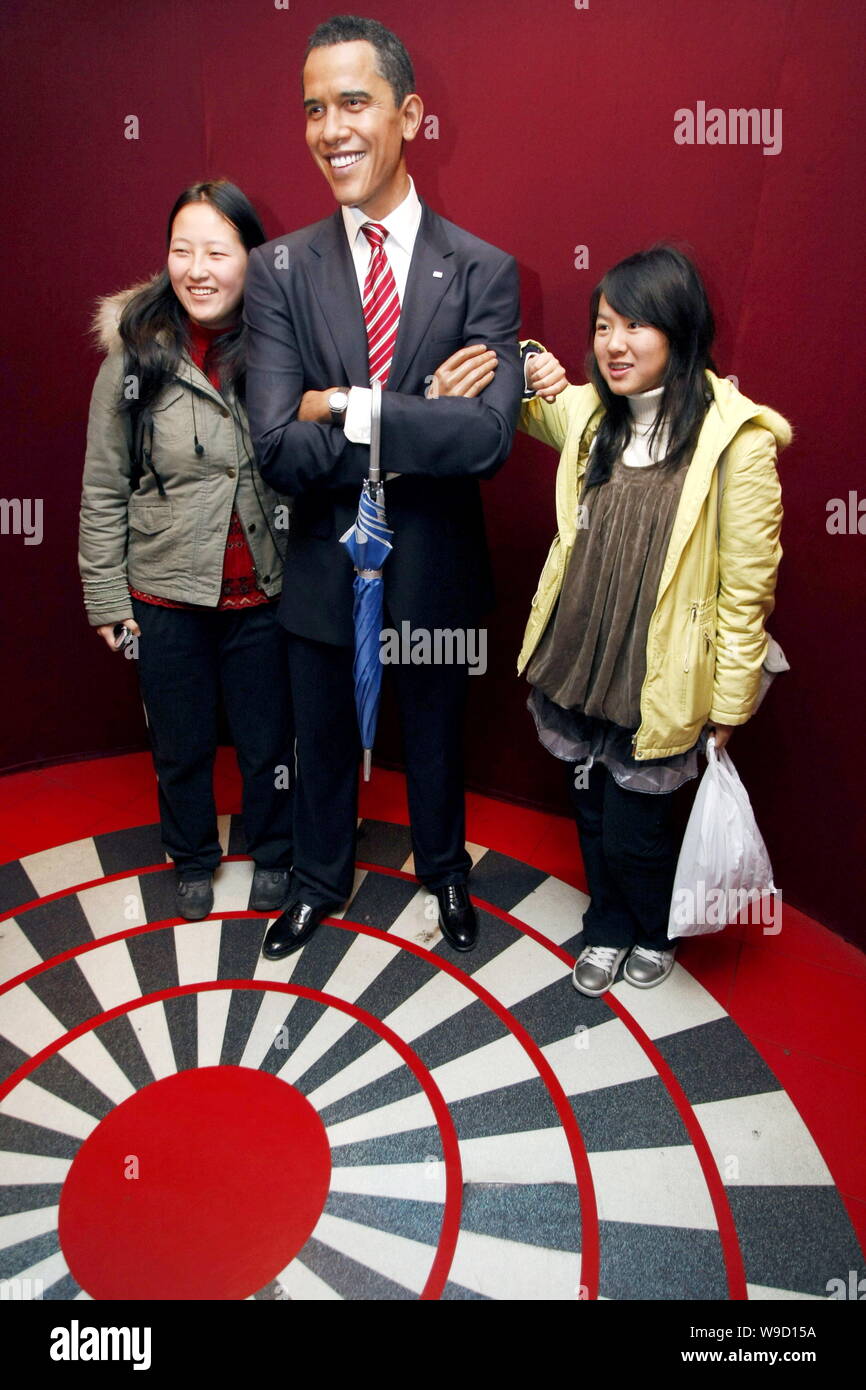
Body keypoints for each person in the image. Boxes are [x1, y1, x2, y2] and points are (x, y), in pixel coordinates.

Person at [435, 245, 789, 995]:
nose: (615, 344)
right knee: (589, 803)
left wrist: (728, 705)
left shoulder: (737, 442)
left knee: (642, 825)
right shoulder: (593, 414)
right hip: (581, 652)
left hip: (661, 672)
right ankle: (607, 924)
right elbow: (523, 400)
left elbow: (747, 588)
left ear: (681, 333)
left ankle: (651, 928)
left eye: (636, 325)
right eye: (603, 325)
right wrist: (528, 355)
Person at [243, 15, 523, 960]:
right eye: (314, 109)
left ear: (408, 114)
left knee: (440, 738)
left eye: (353, 103)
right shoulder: (278, 271)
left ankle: (445, 873)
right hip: (325, 565)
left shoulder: (485, 269)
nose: (331, 130)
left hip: (436, 563)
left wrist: (346, 408)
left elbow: (485, 442)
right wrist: (410, 418)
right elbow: (278, 447)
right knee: (319, 740)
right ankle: (321, 881)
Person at [78, 180, 294, 922]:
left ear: (251, 257)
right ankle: (194, 856)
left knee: (271, 741)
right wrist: (106, 597)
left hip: (266, 586)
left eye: (216, 251)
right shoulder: (135, 355)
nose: (197, 269)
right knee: (180, 742)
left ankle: (275, 851)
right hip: (165, 590)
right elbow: (104, 485)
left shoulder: (282, 344)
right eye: (181, 250)